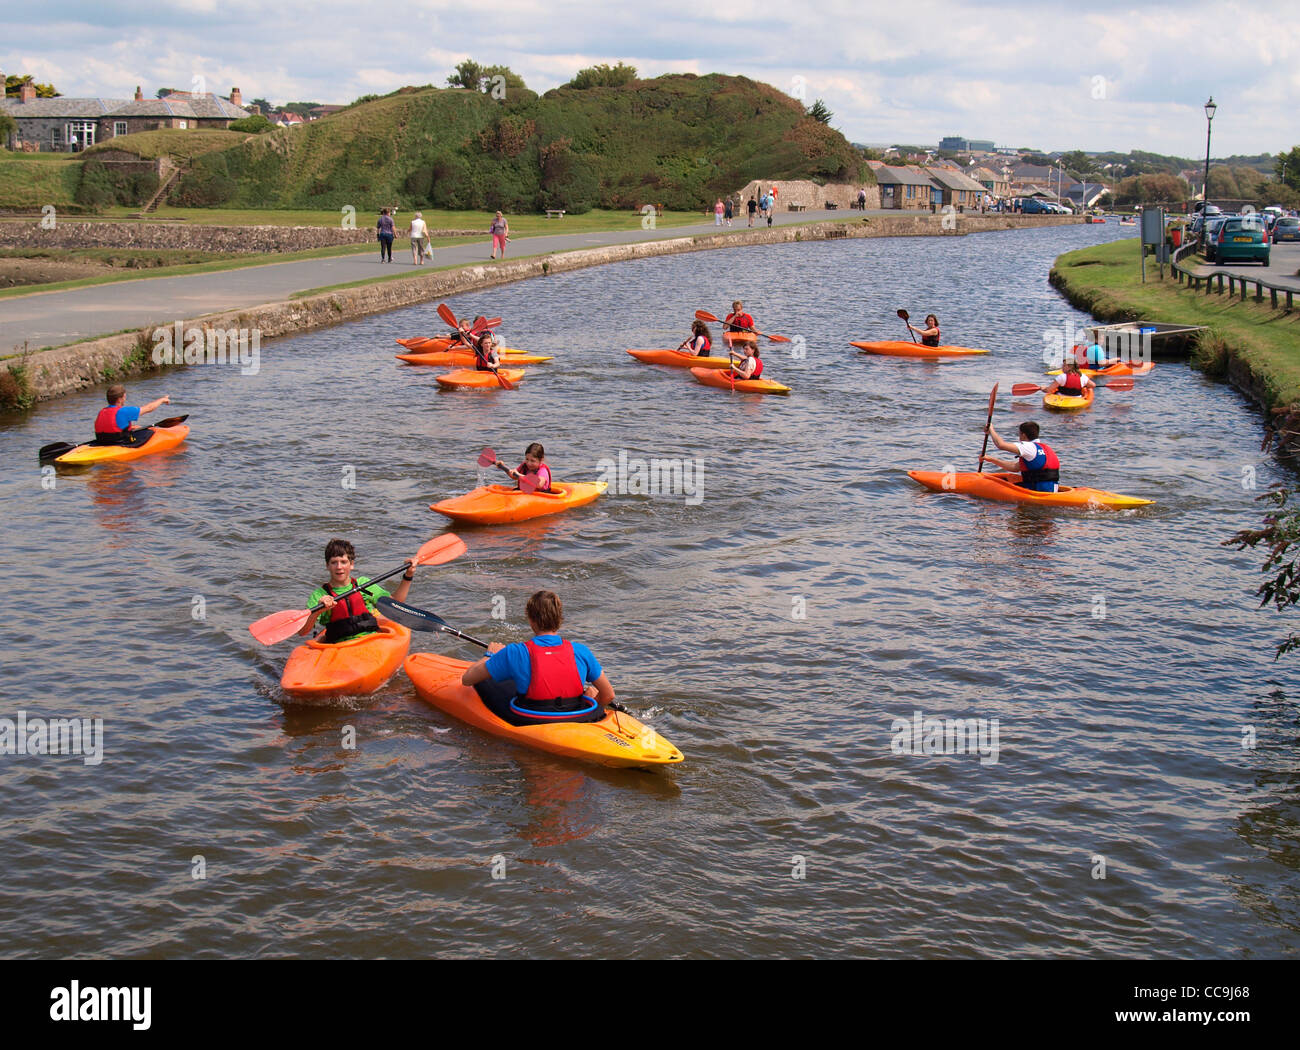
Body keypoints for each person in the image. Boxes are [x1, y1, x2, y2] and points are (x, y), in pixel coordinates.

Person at [461, 590, 615, 726]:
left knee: (485, 680)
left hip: (532, 721)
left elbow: (467, 679)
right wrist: (592, 704)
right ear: (559, 619)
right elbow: (608, 695)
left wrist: (491, 654)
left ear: (531, 620)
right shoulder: (581, 651)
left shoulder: (514, 652)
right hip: (576, 717)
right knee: (591, 691)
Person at [300, 538, 415, 643]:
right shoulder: (319, 595)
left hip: (371, 640)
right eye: (334, 562)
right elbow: (303, 632)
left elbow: (396, 602)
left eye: (343, 562)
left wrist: (408, 575)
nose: (339, 567)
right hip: (338, 647)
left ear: (351, 565)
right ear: (327, 566)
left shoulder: (364, 585)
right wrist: (317, 611)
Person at [980, 420, 1060, 492]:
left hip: (1039, 491)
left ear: (1023, 435)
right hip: (1050, 488)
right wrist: (991, 459)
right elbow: (1015, 467)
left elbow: (1001, 445)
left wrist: (991, 430)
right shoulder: (1045, 448)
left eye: (1019, 434)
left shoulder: (1028, 446)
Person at [93, 384, 171, 447]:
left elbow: (111, 426)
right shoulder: (124, 411)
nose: (125, 399)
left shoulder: (101, 412)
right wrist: (162, 400)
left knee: (135, 428)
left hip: (102, 442)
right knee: (150, 432)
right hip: (119, 443)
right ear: (119, 399)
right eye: (124, 397)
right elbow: (149, 408)